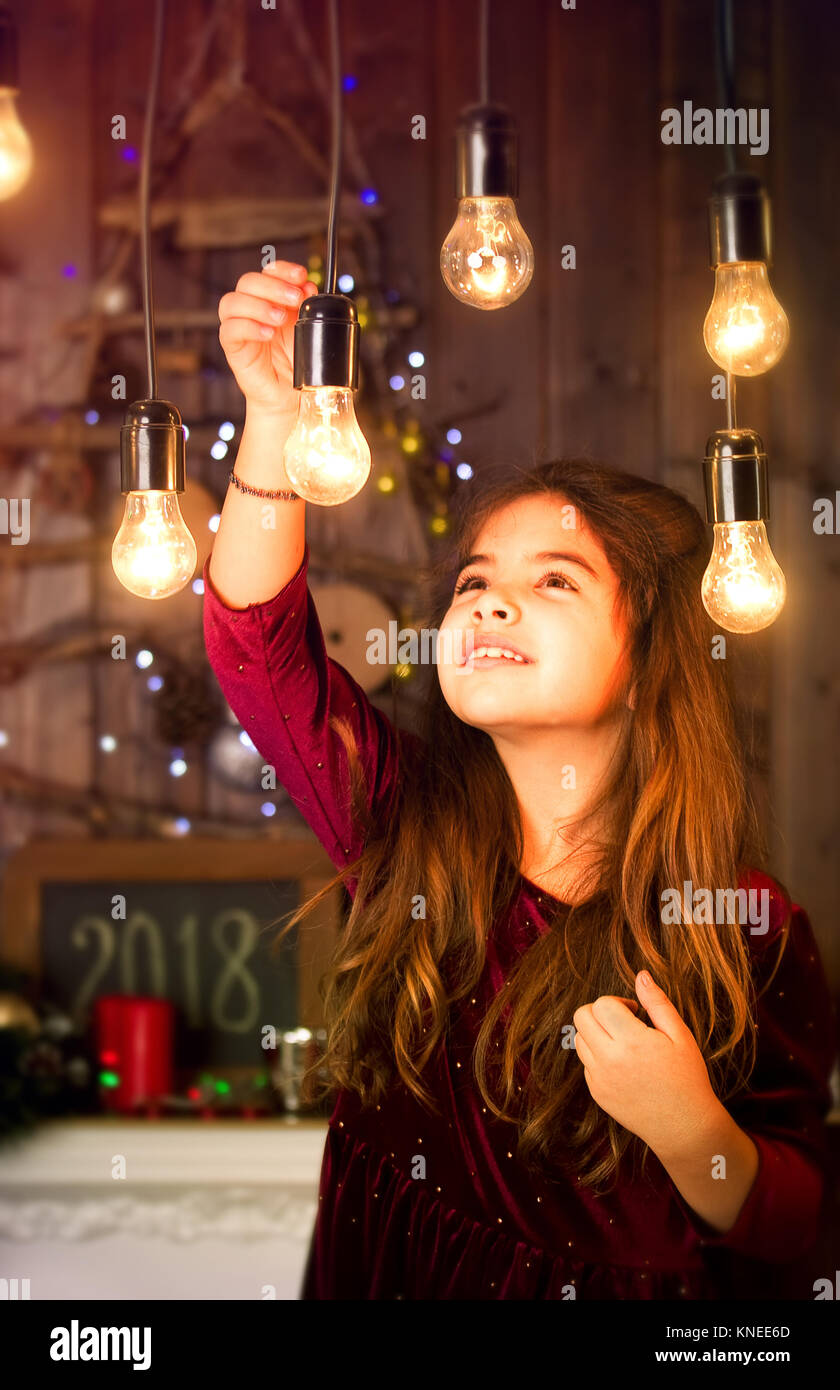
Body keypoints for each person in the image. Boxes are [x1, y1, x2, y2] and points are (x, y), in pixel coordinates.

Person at [203, 259, 837, 1300]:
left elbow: (798, 1215)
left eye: (554, 581)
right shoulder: (400, 821)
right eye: (475, 582)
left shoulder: (747, 926)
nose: (491, 605)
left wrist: (693, 1132)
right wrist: (272, 418)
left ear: (650, 666)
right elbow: (255, 649)